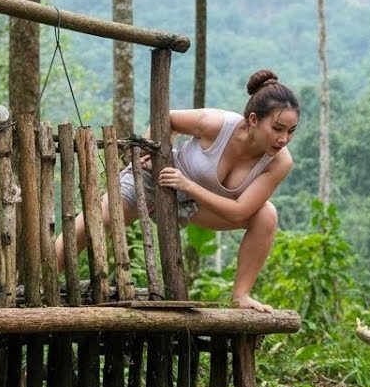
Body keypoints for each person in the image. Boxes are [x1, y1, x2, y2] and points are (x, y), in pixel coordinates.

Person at [59, 69, 299, 313]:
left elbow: (239, 212)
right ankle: (43, 275)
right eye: (277, 128)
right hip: (158, 180)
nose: (284, 139)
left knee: (266, 215)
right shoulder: (218, 124)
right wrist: (145, 154)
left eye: (291, 131)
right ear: (253, 120)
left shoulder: (280, 162)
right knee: (96, 220)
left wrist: (187, 186)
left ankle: (241, 295)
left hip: (197, 205)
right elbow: (169, 118)